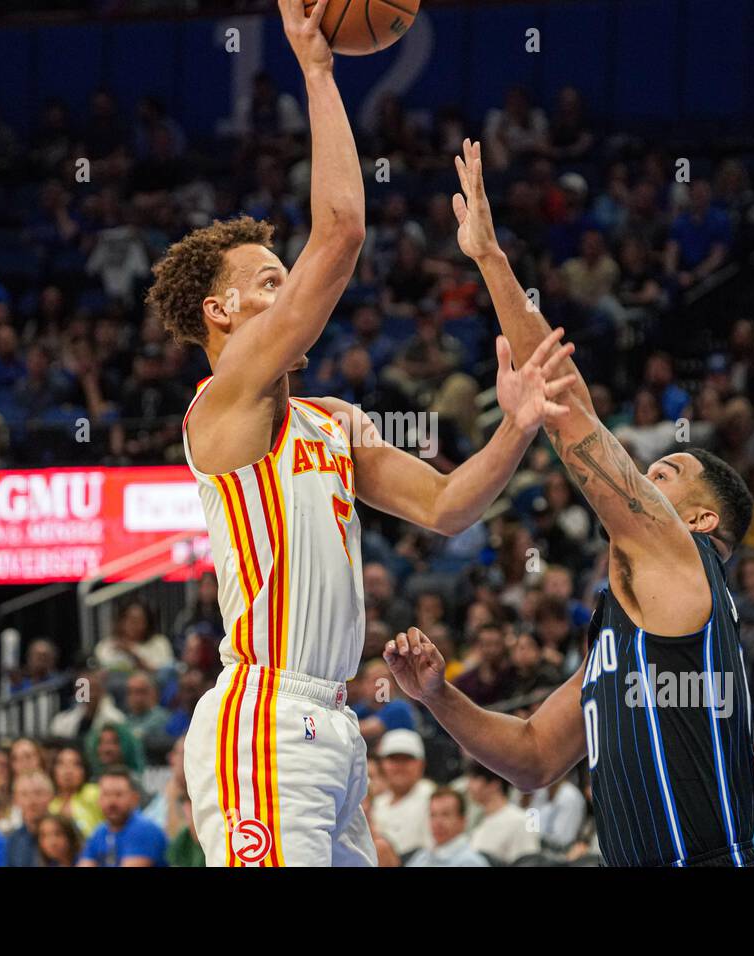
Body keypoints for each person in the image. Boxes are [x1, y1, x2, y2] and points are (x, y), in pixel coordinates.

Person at [152, 3, 571, 870]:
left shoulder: (332, 422)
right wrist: (317, 69)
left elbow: (451, 508)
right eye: (269, 282)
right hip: (263, 717)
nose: (288, 292)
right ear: (219, 313)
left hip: (334, 725)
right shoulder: (220, 408)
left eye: (284, 277)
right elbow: (340, 234)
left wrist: (518, 426)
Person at [386, 138, 754, 868]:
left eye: (667, 471)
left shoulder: (683, 563)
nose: (645, 476)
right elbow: (531, 757)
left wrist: (491, 260)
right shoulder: (627, 632)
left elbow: (567, 409)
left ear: (701, 520)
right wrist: (437, 696)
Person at [77, 768, 166, 867]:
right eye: (106, 794)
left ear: (134, 799)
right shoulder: (100, 832)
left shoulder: (145, 829)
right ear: (99, 800)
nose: (112, 802)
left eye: (118, 794)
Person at [370, 729, 436, 859]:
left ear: (421, 764)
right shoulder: (377, 802)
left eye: (407, 759)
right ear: (382, 764)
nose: (400, 766)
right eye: (393, 759)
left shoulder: (432, 797)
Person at [466, 764, 540, 863]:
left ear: (494, 784)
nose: (468, 786)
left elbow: (529, 863)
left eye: (474, 779)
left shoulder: (522, 820)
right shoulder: (479, 819)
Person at [404, 788, 489, 867]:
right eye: (433, 815)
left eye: (445, 815)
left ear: (462, 821)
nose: (437, 823)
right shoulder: (422, 855)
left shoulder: (470, 862)